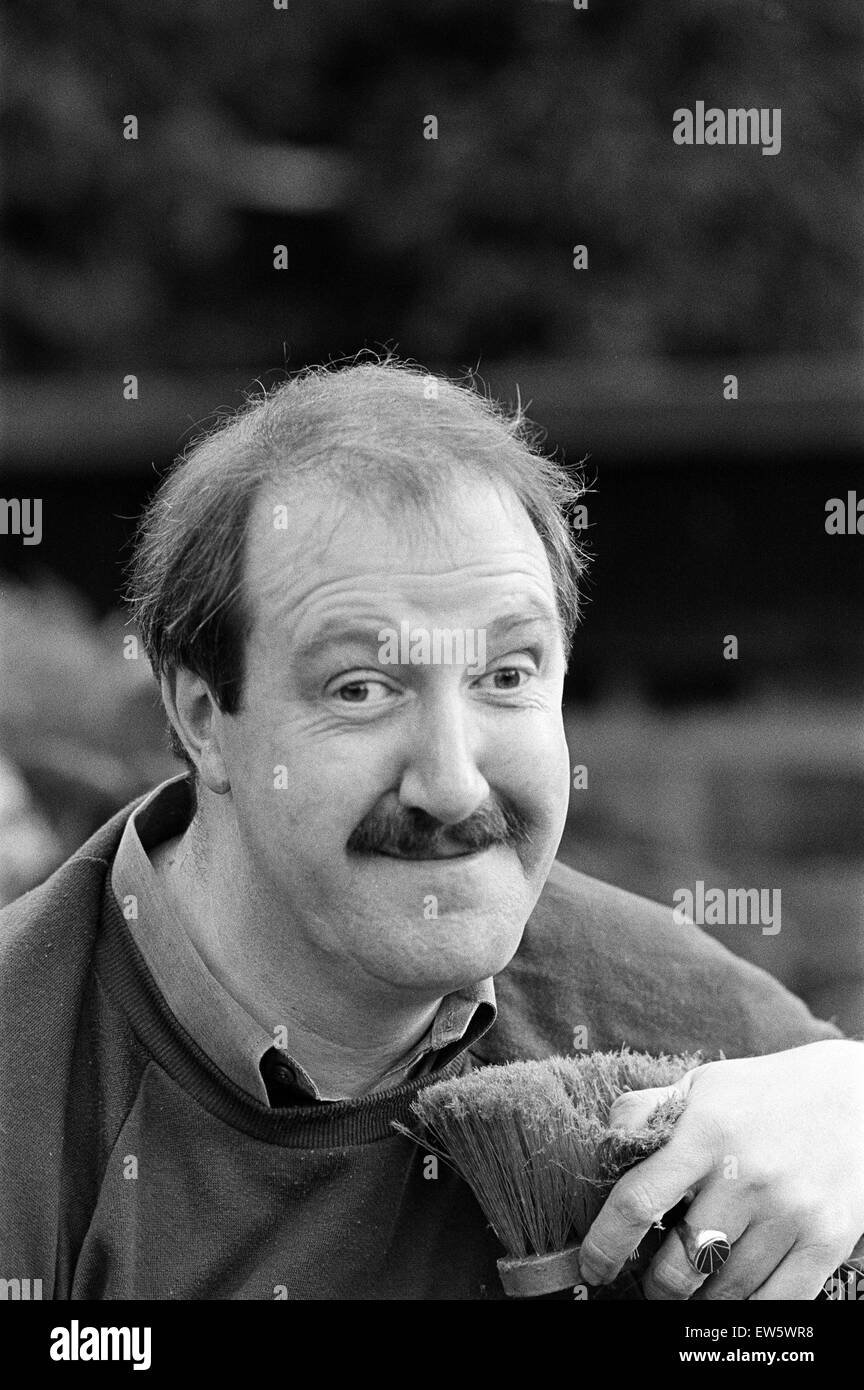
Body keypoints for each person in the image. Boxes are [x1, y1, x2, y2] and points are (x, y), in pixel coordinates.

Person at [1, 358, 861, 1301]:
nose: (453, 786)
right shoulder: (28, 1085)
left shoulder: (687, 1024)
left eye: (506, 675)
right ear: (206, 720)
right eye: (362, 689)